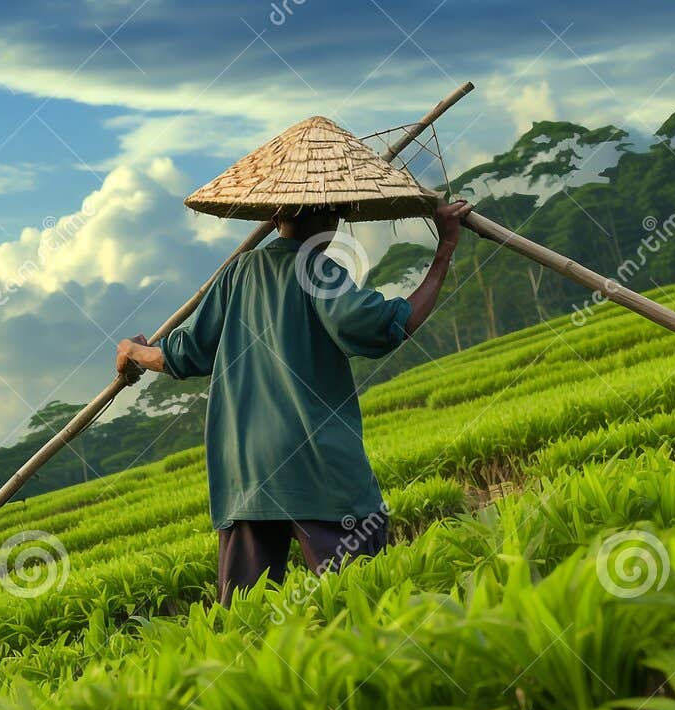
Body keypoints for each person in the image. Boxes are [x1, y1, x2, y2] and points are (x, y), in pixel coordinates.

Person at [116, 198, 472, 602]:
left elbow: (180, 354)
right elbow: (388, 327)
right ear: (335, 220)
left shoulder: (239, 271)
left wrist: (132, 349)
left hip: (246, 476)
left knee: (244, 620)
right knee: (365, 602)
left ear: (274, 218)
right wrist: (444, 251)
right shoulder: (320, 272)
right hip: (317, 470)